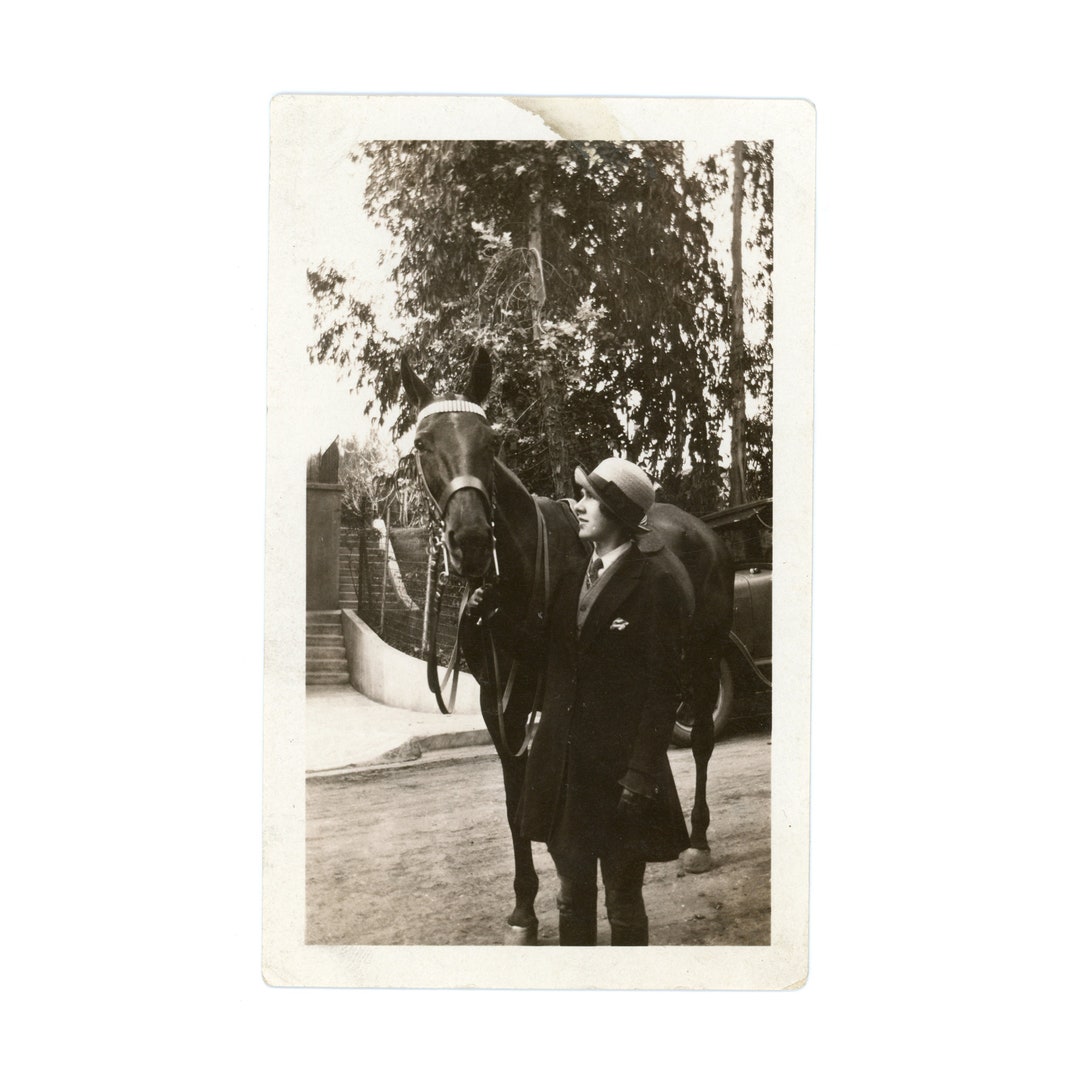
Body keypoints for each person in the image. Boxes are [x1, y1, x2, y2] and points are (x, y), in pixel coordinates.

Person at [469, 457, 690, 946]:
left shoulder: (655, 585)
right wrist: (495, 617)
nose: (579, 507)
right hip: (567, 775)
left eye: (590, 498)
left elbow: (662, 693)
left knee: (623, 900)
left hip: (622, 780)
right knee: (572, 898)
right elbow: (543, 654)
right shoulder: (574, 576)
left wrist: (640, 774)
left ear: (616, 511)